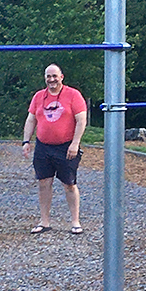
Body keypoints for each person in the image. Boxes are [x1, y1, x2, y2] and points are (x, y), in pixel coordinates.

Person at [22, 64, 87, 234]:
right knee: (44, 182)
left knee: (69, 184)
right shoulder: (39, 97)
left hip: (66, 146)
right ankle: (44, 221)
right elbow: (31, 119)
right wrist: (26, 141)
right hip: (43, 146)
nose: (51, 79)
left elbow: (81, 120)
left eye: (54, 76)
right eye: (48, 76)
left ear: (61, 77)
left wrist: (75, 143)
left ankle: (75, 221)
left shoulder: (73, 95)